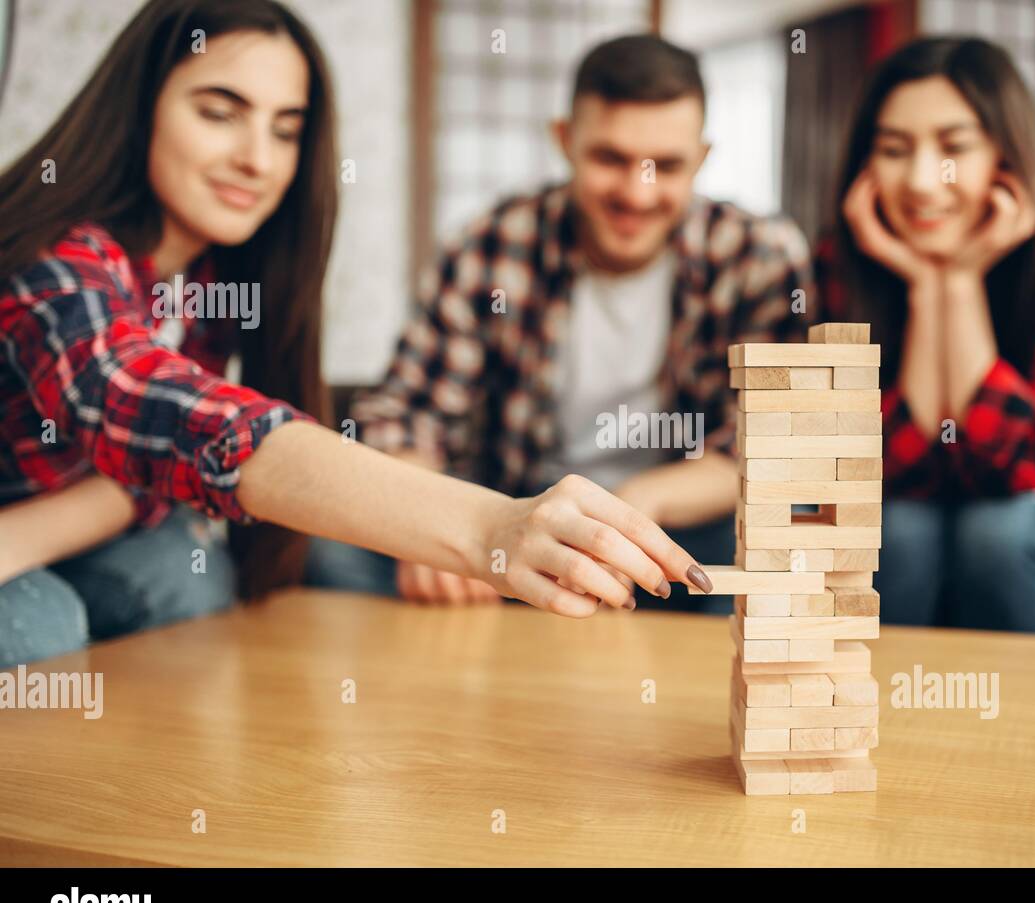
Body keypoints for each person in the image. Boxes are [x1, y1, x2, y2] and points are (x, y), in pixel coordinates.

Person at [0, 0, 711, 669]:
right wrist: (484, 528)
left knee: (199, 575)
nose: (259, 158)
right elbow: (164, 414)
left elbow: (151, 459)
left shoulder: (216, 275)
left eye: (286, 129)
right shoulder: (56, 264)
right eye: (220, 113)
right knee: (51, 620)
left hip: (70, 520)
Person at [311, 34, 814, 613]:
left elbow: (775, 444)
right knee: (333, 551)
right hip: (515, 525)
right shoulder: (491, 245)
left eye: (666, 166)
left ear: (701, 159)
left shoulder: (760, 257)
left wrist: (632, 507)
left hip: (675, 531)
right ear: (565, 142)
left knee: (759, 548)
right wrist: (436, 528)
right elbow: (407, 416)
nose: (636, 192)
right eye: (610, 159)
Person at [817, 36, 1035, 633]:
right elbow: (877, 468)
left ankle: (1017, 727)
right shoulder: (842, 257)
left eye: (954, 147)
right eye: (893, 149)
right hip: (911, 508)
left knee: (995, 530)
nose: (923, 182)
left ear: (1004, 155)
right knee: (899, 530)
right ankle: (876, 720)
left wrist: (958, 280)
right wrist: (924, 284)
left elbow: (1020, 469)